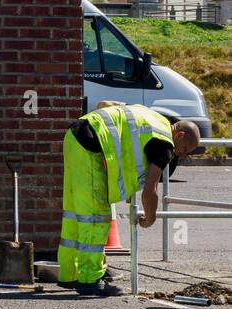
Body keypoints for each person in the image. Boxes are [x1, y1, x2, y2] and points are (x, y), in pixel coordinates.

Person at [59, 103, 201, 295]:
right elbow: (150, 190)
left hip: (75, 136)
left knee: (75, 213)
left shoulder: (157, 121)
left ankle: (70, 273)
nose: (181, 154)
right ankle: (90, 279)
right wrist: (150, 218)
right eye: (184, 149)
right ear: (180, 135)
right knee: (96, 216)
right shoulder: (165, 144)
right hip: (90, 145)